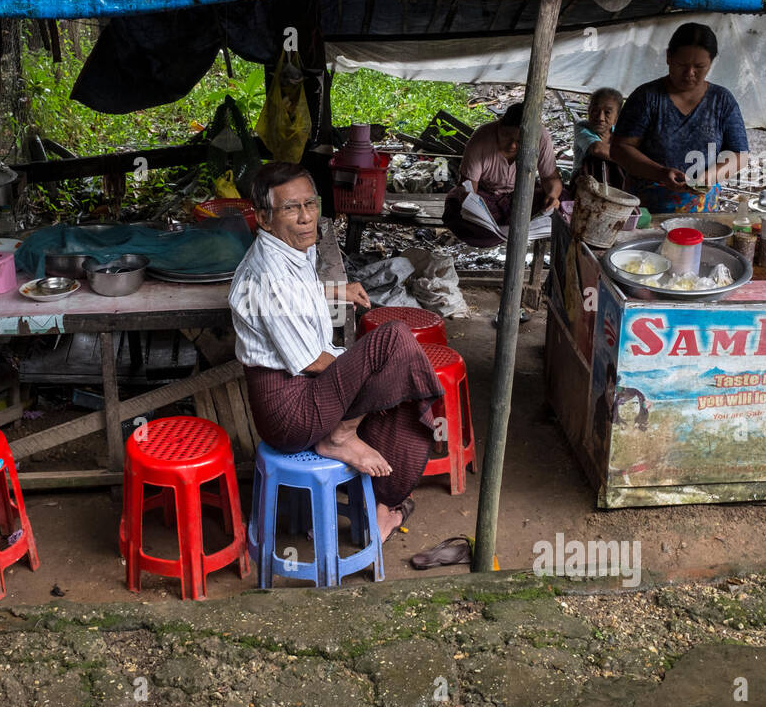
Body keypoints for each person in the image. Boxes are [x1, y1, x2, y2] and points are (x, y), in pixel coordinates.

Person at [229, 162, 445, 542]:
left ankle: (378, 508)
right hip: (290, 412)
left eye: (310, 204)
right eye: (290, 208)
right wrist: (367, 370)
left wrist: (333, 291)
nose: (306, 216)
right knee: (393, 343)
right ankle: (339, 438)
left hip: (305, 394)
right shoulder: (268, 276)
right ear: (264, 218)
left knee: (394, 377)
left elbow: (296, 295)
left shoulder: (289, 249)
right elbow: (309, 360)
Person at [610, 22, 750, 213]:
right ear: (669, 57)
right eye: (682, 65)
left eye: (699, 66)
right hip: (646, 211)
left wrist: (709, 177)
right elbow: (620, 149)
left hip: (702, 210)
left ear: (711, 63)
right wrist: (660, 173)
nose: (689, 73)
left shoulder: (722, 101)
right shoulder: (647, 97)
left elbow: (739, 155)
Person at [442, 102, 565, 248]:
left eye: (520, 141)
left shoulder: (540, 137)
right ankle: (501, 232)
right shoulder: (482, 137)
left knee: (564, 202)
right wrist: (474, 208)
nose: (512, 145)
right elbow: (467, 186)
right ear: (499, 125)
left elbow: (551, 178)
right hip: (486, 195)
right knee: (455, 209)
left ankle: (501, 233)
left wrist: (552, 196)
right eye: (506, 136)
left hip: (522, 193)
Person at [572, 87, 628, 193]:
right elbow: (597, 149)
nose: (600, 117)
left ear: (617, 117)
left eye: (607, 112)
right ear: (588, 111)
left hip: (616, 189)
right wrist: (631, 160)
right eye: (595, 110)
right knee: (597, 159)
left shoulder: (621, 133)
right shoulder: (582, 127)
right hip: (583, 188)